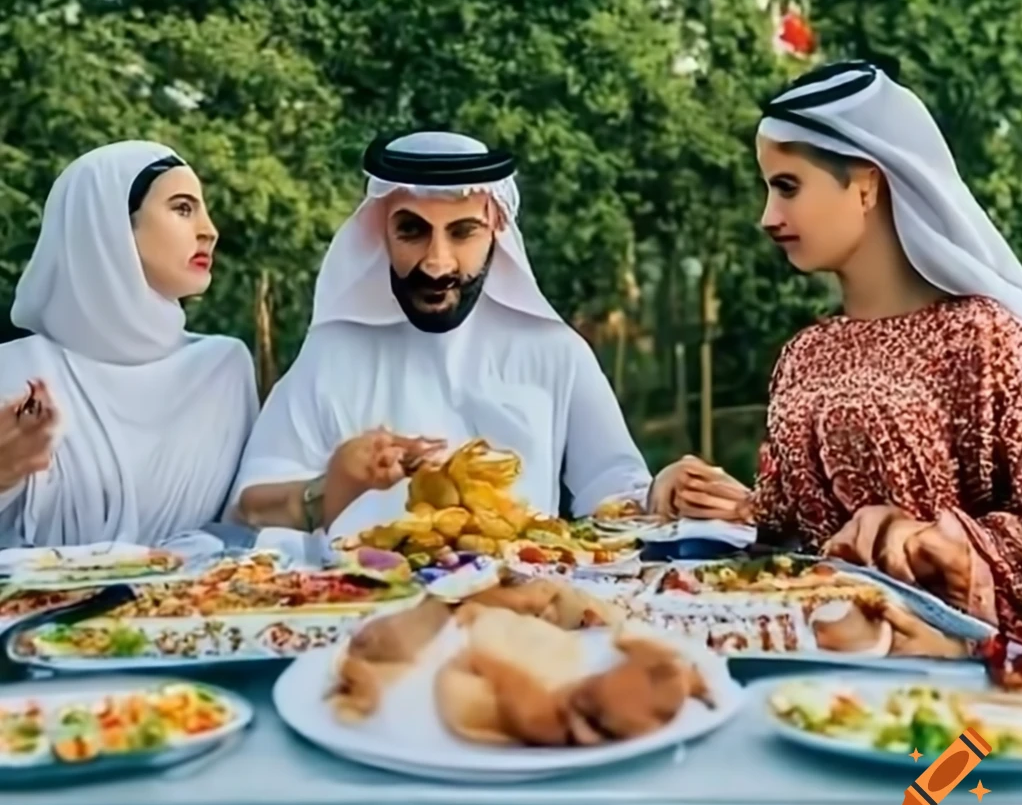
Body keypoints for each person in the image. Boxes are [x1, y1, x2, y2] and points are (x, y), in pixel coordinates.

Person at [650, 59, 1022, 639]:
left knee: (952, 726)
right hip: (817, 658)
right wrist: (714, 500)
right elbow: (791, 534)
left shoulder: (983, 338)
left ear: (866, 185)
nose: (768, 217)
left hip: (947, 671)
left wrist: (937, 545)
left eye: (787, 187)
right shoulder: (805, 354)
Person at [233, 130, 651, 537]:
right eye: (412, 231)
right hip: (362, 584)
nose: (437, 263)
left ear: (496, 228)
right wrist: (337, 483)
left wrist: (665, 496)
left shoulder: (555, 352)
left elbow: (616, 489)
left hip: (524, 583)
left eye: (463, 231)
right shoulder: (332, 355)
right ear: (382, 231)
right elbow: (248, 510)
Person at [0, 141, 258, 547]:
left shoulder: (222, 368)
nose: (209, 231)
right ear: (108, 225)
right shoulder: (17, 373)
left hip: (200, 587)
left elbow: (243, 521)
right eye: (183, 208)